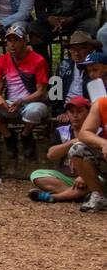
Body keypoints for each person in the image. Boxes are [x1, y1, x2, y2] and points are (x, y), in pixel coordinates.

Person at [0, 24, 50, 169]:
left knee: (34, 111)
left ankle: (25, 134)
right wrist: (0, 99)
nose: (12, 44)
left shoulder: (38, 60)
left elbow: (41, 92)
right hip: (11, 103)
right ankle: (8, 135)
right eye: (9, 40)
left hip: (31, 102)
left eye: (16, 40)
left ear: (24, 41)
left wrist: (21, 101)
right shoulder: (2, 60)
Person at [29, 96, 94, 205]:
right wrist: (73, 142)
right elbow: (51, 155)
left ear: (89, 113)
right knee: (36, 174)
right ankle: (79, 195)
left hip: (92, 177)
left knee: (101, 179)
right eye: (71, 112)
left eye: (79, 111)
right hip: (67, 178)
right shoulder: (62, 131)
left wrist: (84, 175)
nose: (75, 115)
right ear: (67, 113)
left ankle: (56, 197)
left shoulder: (97, 131)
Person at [68, 55, 107, 212]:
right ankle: (99, 197)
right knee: (77, 149)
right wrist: (103, 143)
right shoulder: (100, 102)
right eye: (89, 71)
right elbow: (84, 133)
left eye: (95, 70)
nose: (91, 75)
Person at [52, 30, 100, 115]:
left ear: (91, 50)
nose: (76, 53)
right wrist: (60, 112)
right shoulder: (63, 65)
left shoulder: (96, 68)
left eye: (81, 49)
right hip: (66, 109)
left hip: (88, 110)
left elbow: (98, 98)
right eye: (73, 49)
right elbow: (54, 93)